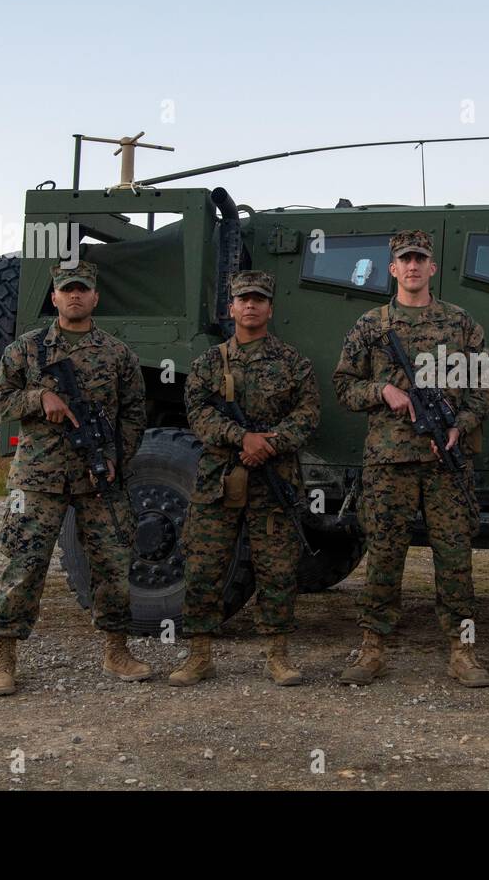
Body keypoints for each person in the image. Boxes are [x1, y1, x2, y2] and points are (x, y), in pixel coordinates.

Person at [332, 229, 489, 687]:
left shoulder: (460, 323)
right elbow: (343, 384)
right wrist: (381, 390)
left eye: (420, 259)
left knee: (455, 557)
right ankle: (372, 649)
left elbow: (486, 387)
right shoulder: (372, 325)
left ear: (431, 268)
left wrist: (459, 424)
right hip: (389, 463)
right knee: (383, 555)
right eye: (404, 260)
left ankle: (463, 652)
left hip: (447, 460)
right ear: (392, 269)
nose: (412, 267)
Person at [0, 258, 149, 696]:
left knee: (114, 564)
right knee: (24, 565)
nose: (74, 295)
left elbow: (134, 415)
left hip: (98, 477)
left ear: (95, 297)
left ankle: (116, 651)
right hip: (38, 476)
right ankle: (4, 660)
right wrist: (41, 398)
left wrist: (117, 458)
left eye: (83, 289)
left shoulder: (118, 354)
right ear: (54, 296)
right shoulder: (26, 349)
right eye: (66, 288)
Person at [168, 271, 321, 687]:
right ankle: (199, 654)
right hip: (219, 479)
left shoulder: (293, 363)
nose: (250, 305)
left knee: (278, 569)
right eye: (243, 299)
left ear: (270, 308)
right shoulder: (207, 363)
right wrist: (243, 438)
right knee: (203, 565)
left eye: (259, 299)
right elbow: (198, 414)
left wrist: (270, 443)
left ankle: (277, 655)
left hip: (274, 479)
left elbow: (308, 415)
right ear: (231, 308)